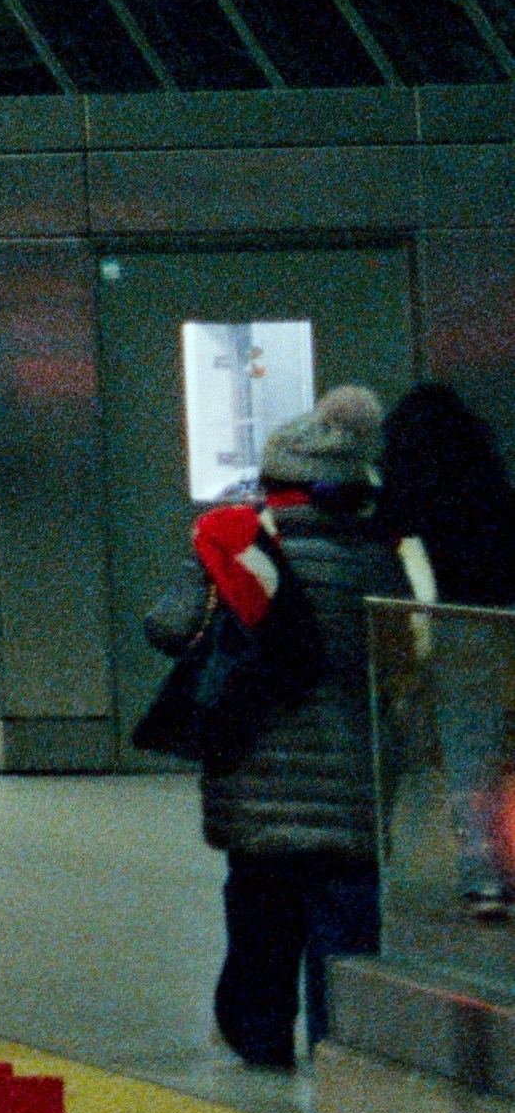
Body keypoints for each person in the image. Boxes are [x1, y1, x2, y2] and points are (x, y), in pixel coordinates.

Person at [154, 386, 397, 1069]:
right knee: (345, 927)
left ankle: (260, 1037)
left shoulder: (235, 547)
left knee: (260, 918)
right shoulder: (381, 557)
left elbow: (167, 625)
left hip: (255, 777)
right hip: (353, 787)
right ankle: (339, 1045)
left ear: (274, 478)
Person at [374, 383, 506, 924]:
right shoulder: (488, 477)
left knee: (465, 749)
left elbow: (385, 529)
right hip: (502, 620)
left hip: (460, 623)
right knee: (493, 750)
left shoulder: (414, 483)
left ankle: (483, 875)